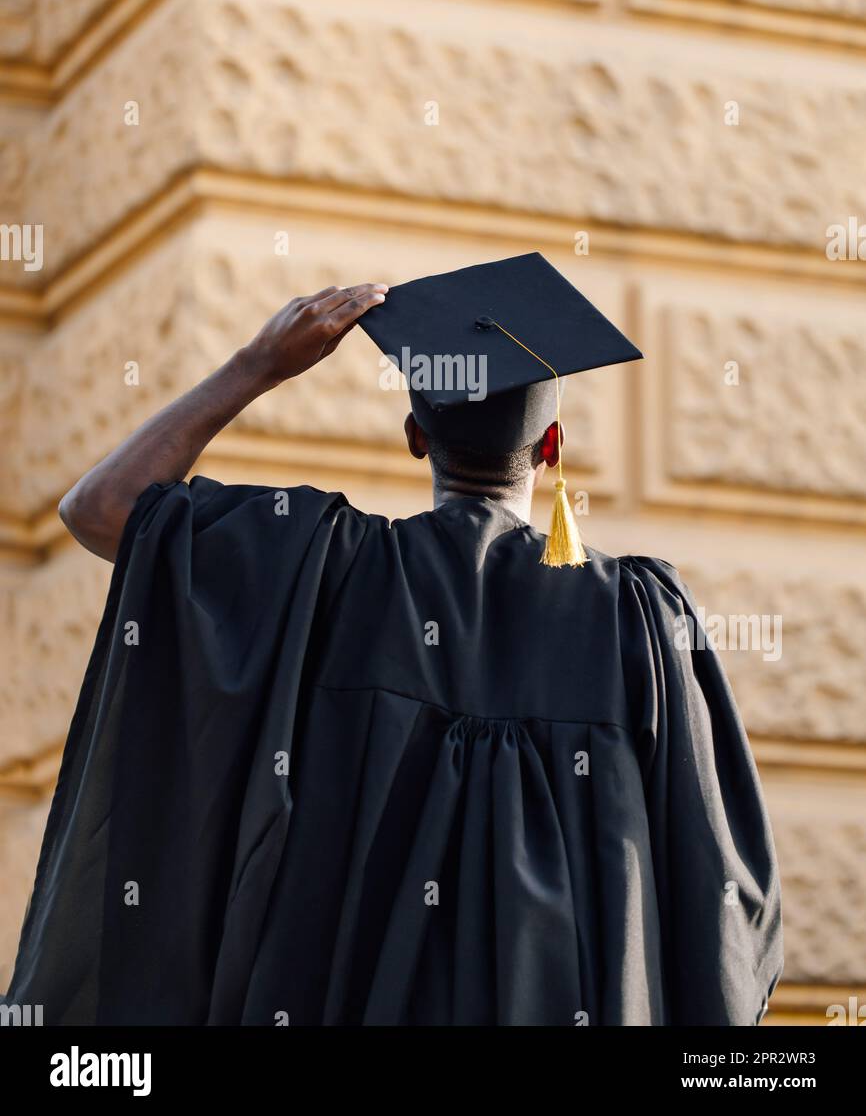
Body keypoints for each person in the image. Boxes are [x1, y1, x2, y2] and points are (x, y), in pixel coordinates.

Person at [6, 253, 782, 1026]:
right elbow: (721, 885)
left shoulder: (325, 569)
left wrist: (258, 366)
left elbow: (100, 508)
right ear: (553, 445)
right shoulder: (639, 616)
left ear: (416, 435)